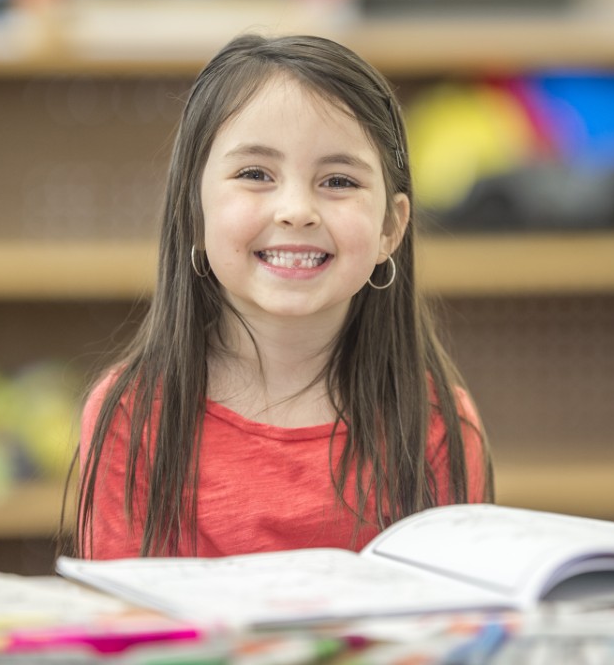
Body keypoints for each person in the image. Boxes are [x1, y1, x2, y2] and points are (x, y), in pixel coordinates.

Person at [70, 33, 493, 559]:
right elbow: (121, 607)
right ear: (193, 214)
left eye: (339, 181)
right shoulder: (132, 416)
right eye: (255, 174)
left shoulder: (437, 425)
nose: (296, 211)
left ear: (390, 227)